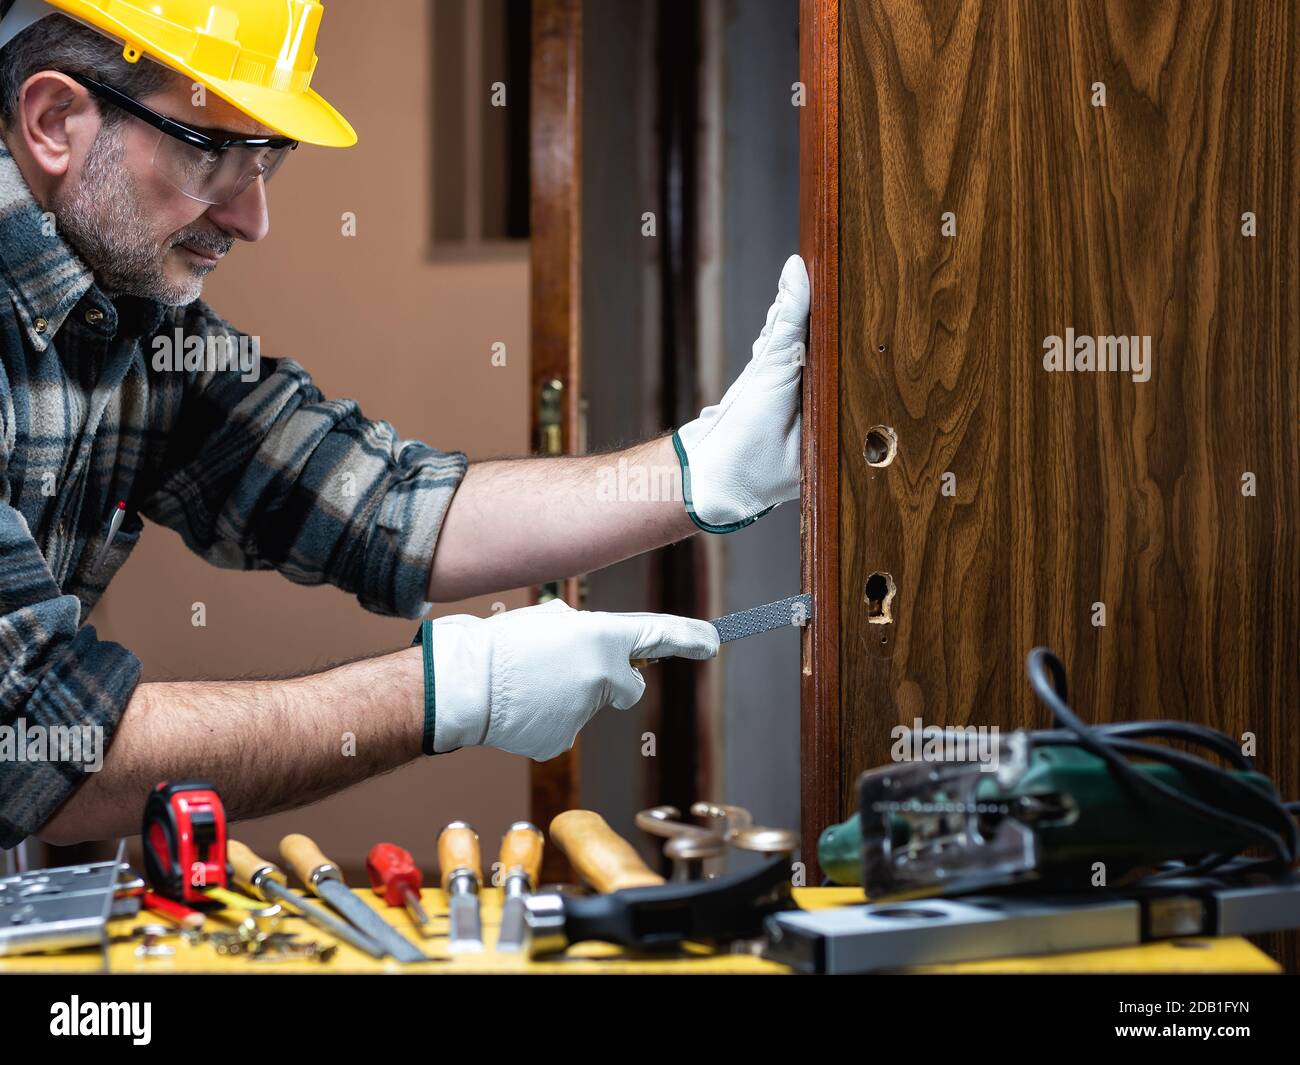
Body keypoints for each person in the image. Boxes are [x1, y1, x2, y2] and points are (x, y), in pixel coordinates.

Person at [0, 0, 809, 847]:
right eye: (212, 152)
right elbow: (33, 742)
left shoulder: (130, 324)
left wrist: (698, 471)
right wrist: (456, 686)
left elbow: (378, 504)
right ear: (56, 119)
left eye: (268, 158)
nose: (252, 218)